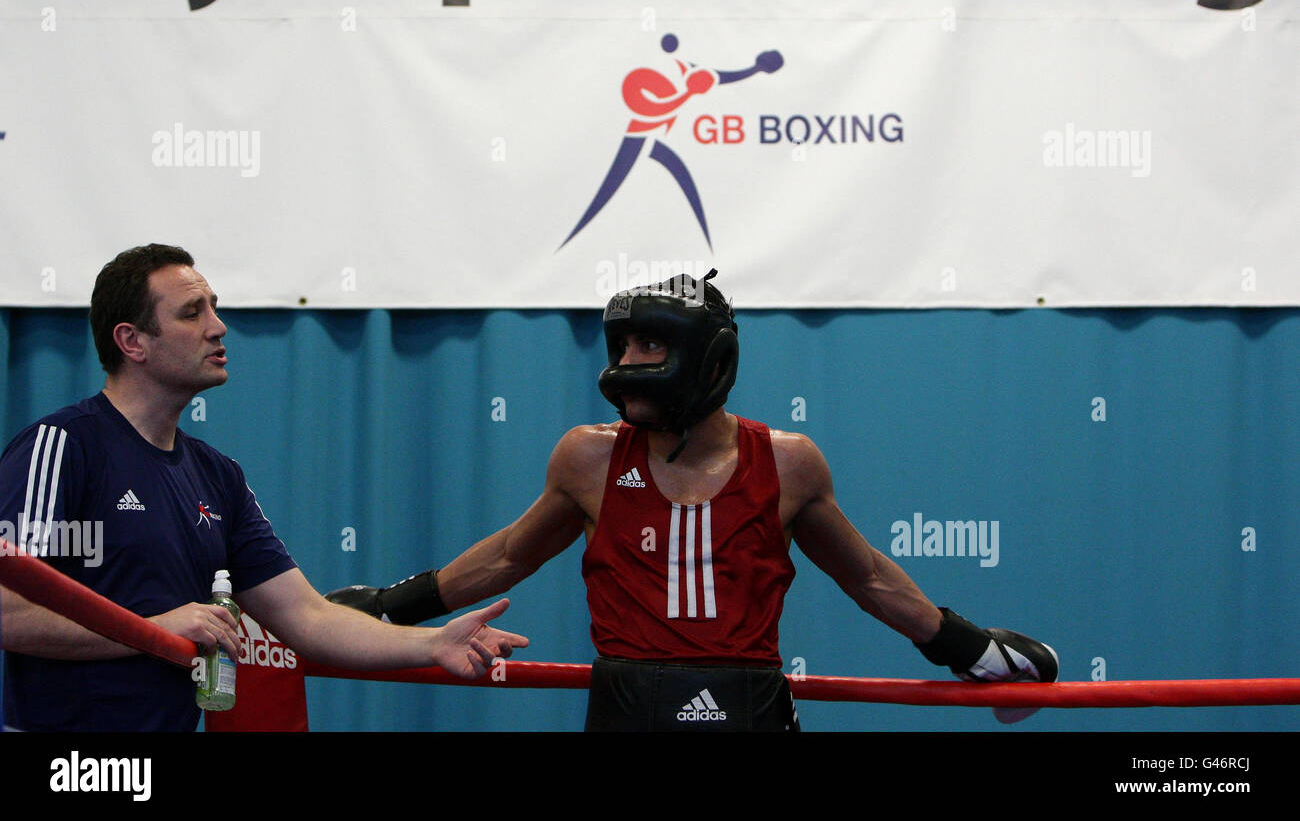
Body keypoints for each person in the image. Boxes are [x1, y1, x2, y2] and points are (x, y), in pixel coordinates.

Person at [330, 269, 1056, 731]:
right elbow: (511, 554)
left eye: (651, 344)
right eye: (625, 345)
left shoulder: (788, 464)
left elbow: (865, 575)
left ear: (710, 357)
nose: (628, 363)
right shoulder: (589, 456)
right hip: (624, 707)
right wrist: (395, 608)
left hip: (751, 708)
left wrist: (972, 649)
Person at [0, 244, 527, 731]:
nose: (218, 327)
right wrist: (155, 630)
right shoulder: (62, 446)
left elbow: (309, 616)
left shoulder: (218, 475)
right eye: (192, 313)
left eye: (214, 307)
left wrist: (432, 643)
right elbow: (6, 612)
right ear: (132, 341)